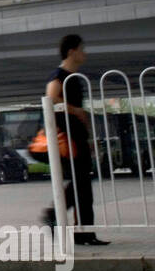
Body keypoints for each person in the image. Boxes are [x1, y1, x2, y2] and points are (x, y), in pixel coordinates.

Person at [40, 34, 109, 246]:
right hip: (67, 138)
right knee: (81, 183)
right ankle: (53, 215)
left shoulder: (73, 77)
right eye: (82, 49)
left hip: (78, 138)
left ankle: (84, 232)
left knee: (83, 185)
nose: (84, 53)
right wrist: (75, 111)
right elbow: (51, 98)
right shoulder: (59, 75)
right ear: (72, 52)